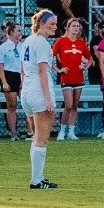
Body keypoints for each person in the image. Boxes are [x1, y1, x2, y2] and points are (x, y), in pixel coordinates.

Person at [22, 11, 60, 189]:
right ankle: (36, 180)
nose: (54, 27)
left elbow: (23, 70)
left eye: (55, 24)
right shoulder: (43, 43)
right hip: (38, 92)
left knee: (36, 137)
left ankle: (38, 177)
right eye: (51, 23)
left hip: (27, 92)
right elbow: (42, 71)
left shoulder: (28, 41)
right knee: (42, 138)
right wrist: (47, 100)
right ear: (42, 23)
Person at [52, 19, 91, 141]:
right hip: (66, 77)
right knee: (68, 105)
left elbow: (90, 59)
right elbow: (51, 58)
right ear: (67, 28)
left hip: (78, 78)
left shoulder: (81, 43)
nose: (76, 28)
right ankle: (62, 131)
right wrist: (59, 70)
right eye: (73, 26)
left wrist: (84, 67)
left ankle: (71, 131)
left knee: (75, 105)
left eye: (78, 26)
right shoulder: (60, 41)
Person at [0, 23, 23, 140]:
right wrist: (4, 82)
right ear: (12, 32)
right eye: (19, 31)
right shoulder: (3, 48)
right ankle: (13, 132)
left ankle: (31, 132)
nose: (21, 33)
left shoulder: (23, 46)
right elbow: (0, 67)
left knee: (29, 104)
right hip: (9, 75)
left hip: (21, 75)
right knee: (12, 106)